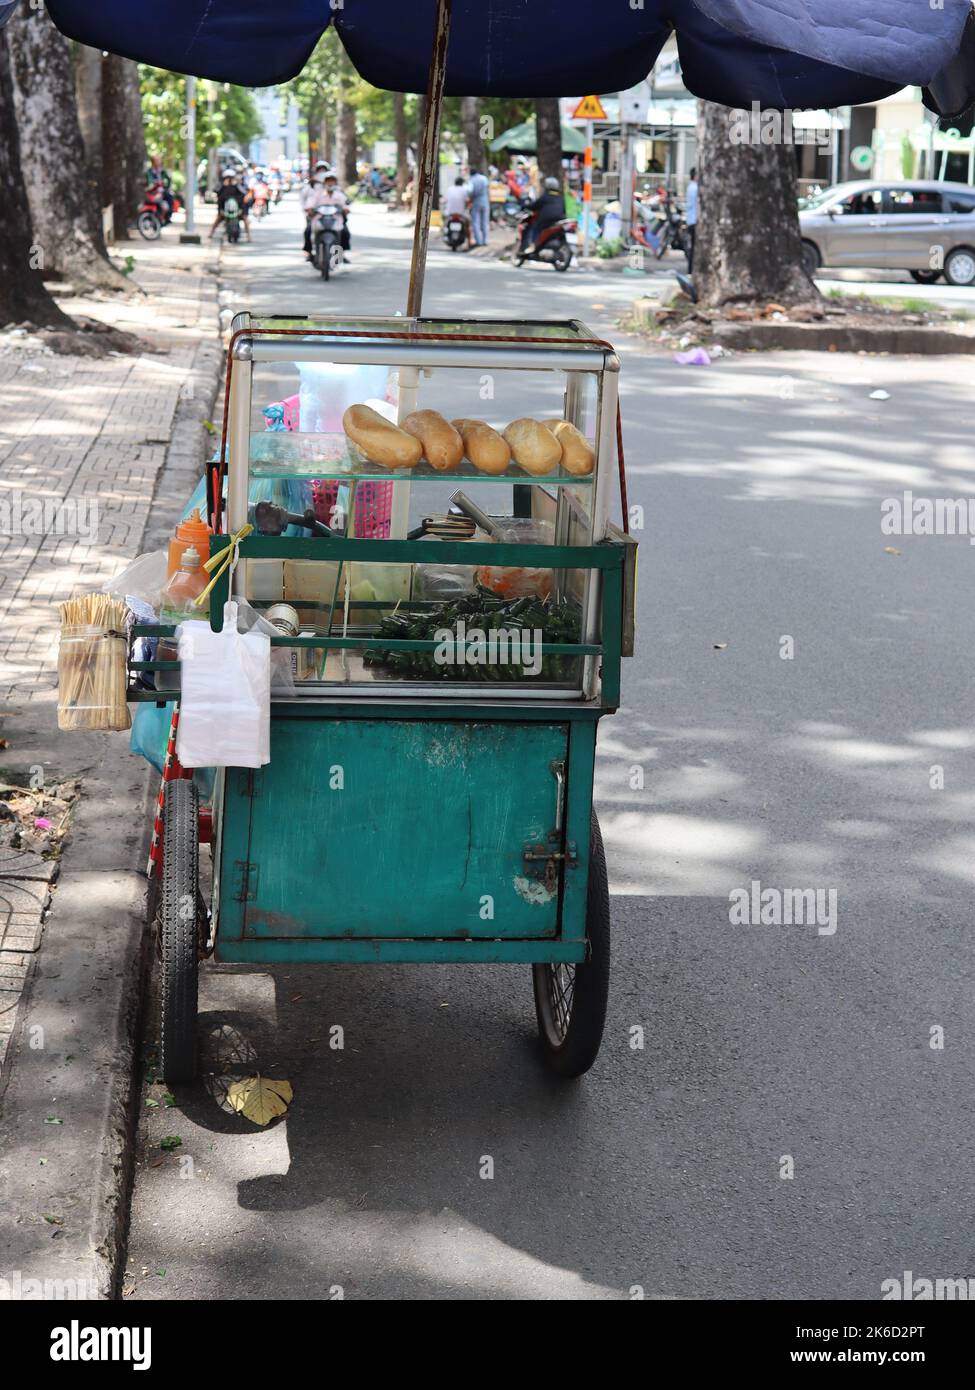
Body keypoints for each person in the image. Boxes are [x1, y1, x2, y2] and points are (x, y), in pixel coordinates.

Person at [520, 175, 565, 255]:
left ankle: (533, 245)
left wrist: (525, 205)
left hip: (546, 220)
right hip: (559, 220)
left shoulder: (545, 196)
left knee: (535, 228)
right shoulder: (560, 197)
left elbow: (534, 206)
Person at [208, 171, 250, 241]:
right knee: (218, 218)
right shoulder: (222, 186)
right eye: (227, 178)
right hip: (225, 208)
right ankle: (211, 233)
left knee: (245, 218)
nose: (229, 179)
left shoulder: (237, 186)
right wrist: (224, 185)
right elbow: (217, 193)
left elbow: (244, 193)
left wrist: (236, 184)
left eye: (230, 178)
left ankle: (248, 236)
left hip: (237, 208)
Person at [443, 176, 473, 247]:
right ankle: (469, 241)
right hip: (461, 214)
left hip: (449, 213)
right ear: (462, 183)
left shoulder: (449, 189)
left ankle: (444, 231)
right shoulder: (464, 190)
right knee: (468, 225)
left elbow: (444, 199)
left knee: (444, 222)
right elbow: (467, 201)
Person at [146, 155, 175, 223]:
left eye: (159, 160)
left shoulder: (162, 171)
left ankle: (167, 216)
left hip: (162, 190)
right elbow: (149, 181)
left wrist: (167, 187)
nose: (159, 162)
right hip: (153, 191)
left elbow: (168, 179)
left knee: (170, 198)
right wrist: (153, 184)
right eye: (157, 160)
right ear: (153, 162)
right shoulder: (149, 171)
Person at [469, 167, 490, 247]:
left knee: (476, 222)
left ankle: (478, 241)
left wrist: (471, 199)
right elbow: (488, 190)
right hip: (485, 201)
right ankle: (485, 240)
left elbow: (470, 191)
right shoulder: (484, 178)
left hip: (476, 202)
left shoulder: (472, 180)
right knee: (485, 222)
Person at [685, 167, 698, 274]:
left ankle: (691, 270)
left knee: (693, 247)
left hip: (691, 220)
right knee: (694, 248)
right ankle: (691, 270)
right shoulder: (695, 188)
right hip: (694, 220)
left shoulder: (691, 187)